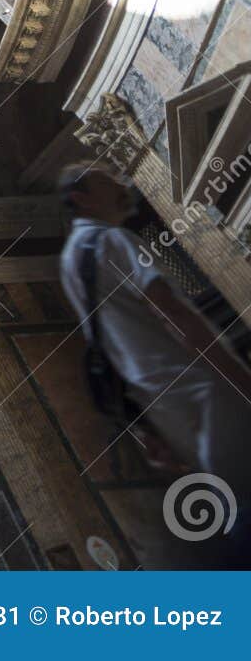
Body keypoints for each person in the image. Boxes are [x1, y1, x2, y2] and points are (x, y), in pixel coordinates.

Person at [58, 162, 251, 562]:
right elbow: (172, 313)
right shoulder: (113, 239)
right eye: (106, 180)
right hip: (202, 384)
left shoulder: (71, 260)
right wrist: (236, 376)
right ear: (80, 198)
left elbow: (105, 349)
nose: (121, 183)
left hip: (159, 402)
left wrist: (145, 428)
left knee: (231, 499)